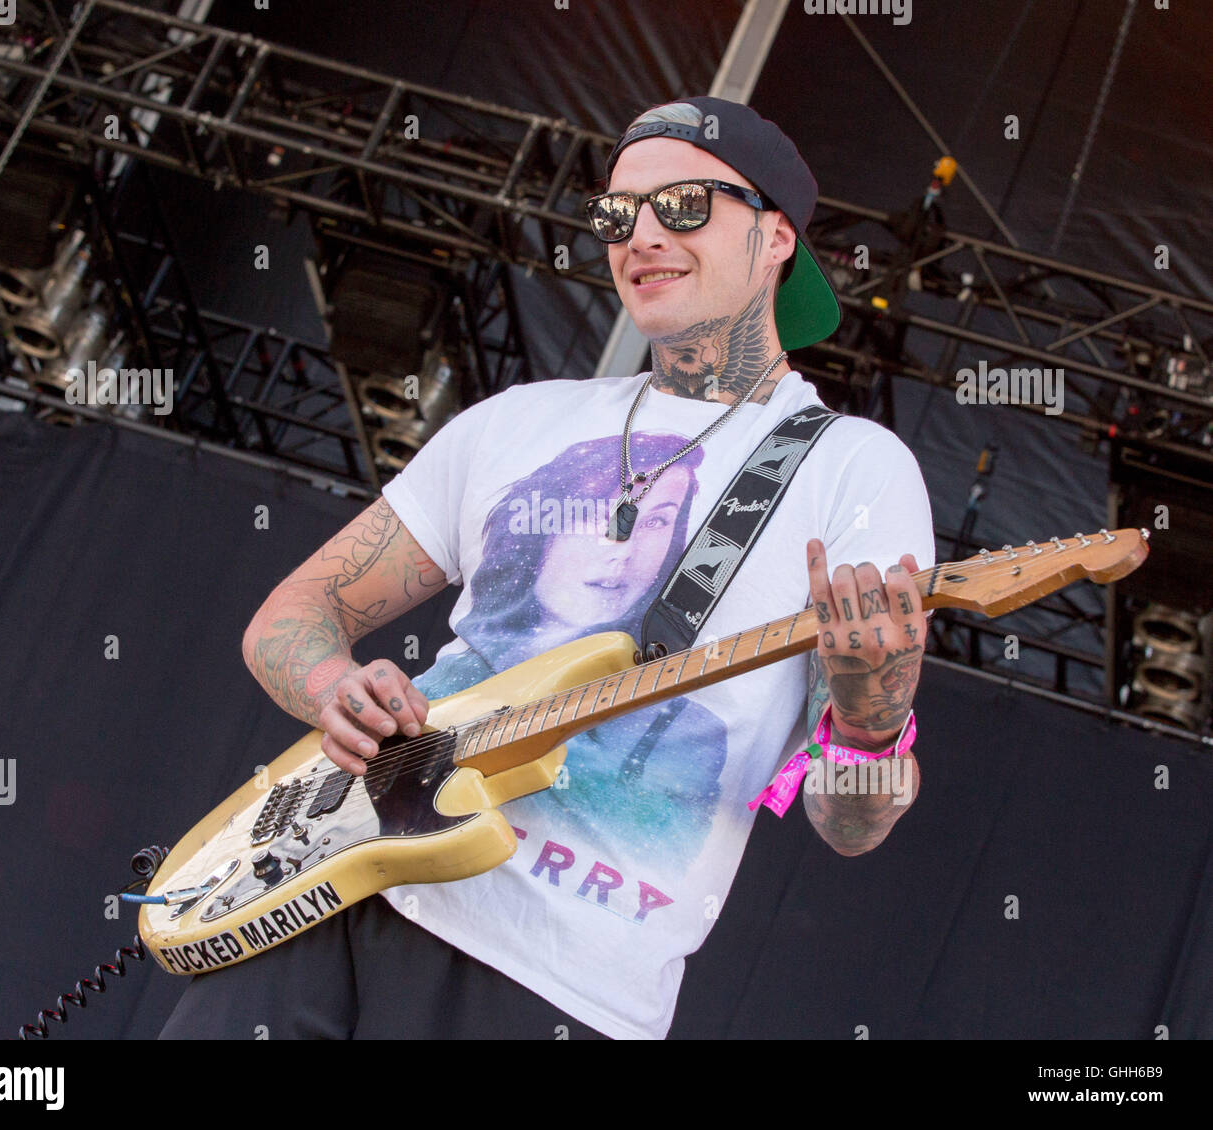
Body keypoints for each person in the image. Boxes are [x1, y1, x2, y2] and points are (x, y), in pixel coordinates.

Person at [159, 95, 935, 1041]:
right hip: (332, 900)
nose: (641, 236)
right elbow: (292, 612)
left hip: (561, 993)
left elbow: (850, 825)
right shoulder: (520, 420)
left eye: (683, 205)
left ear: (776, 238)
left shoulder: (851, 467)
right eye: (617, 215)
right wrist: (338, 688)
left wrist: (871, 715)